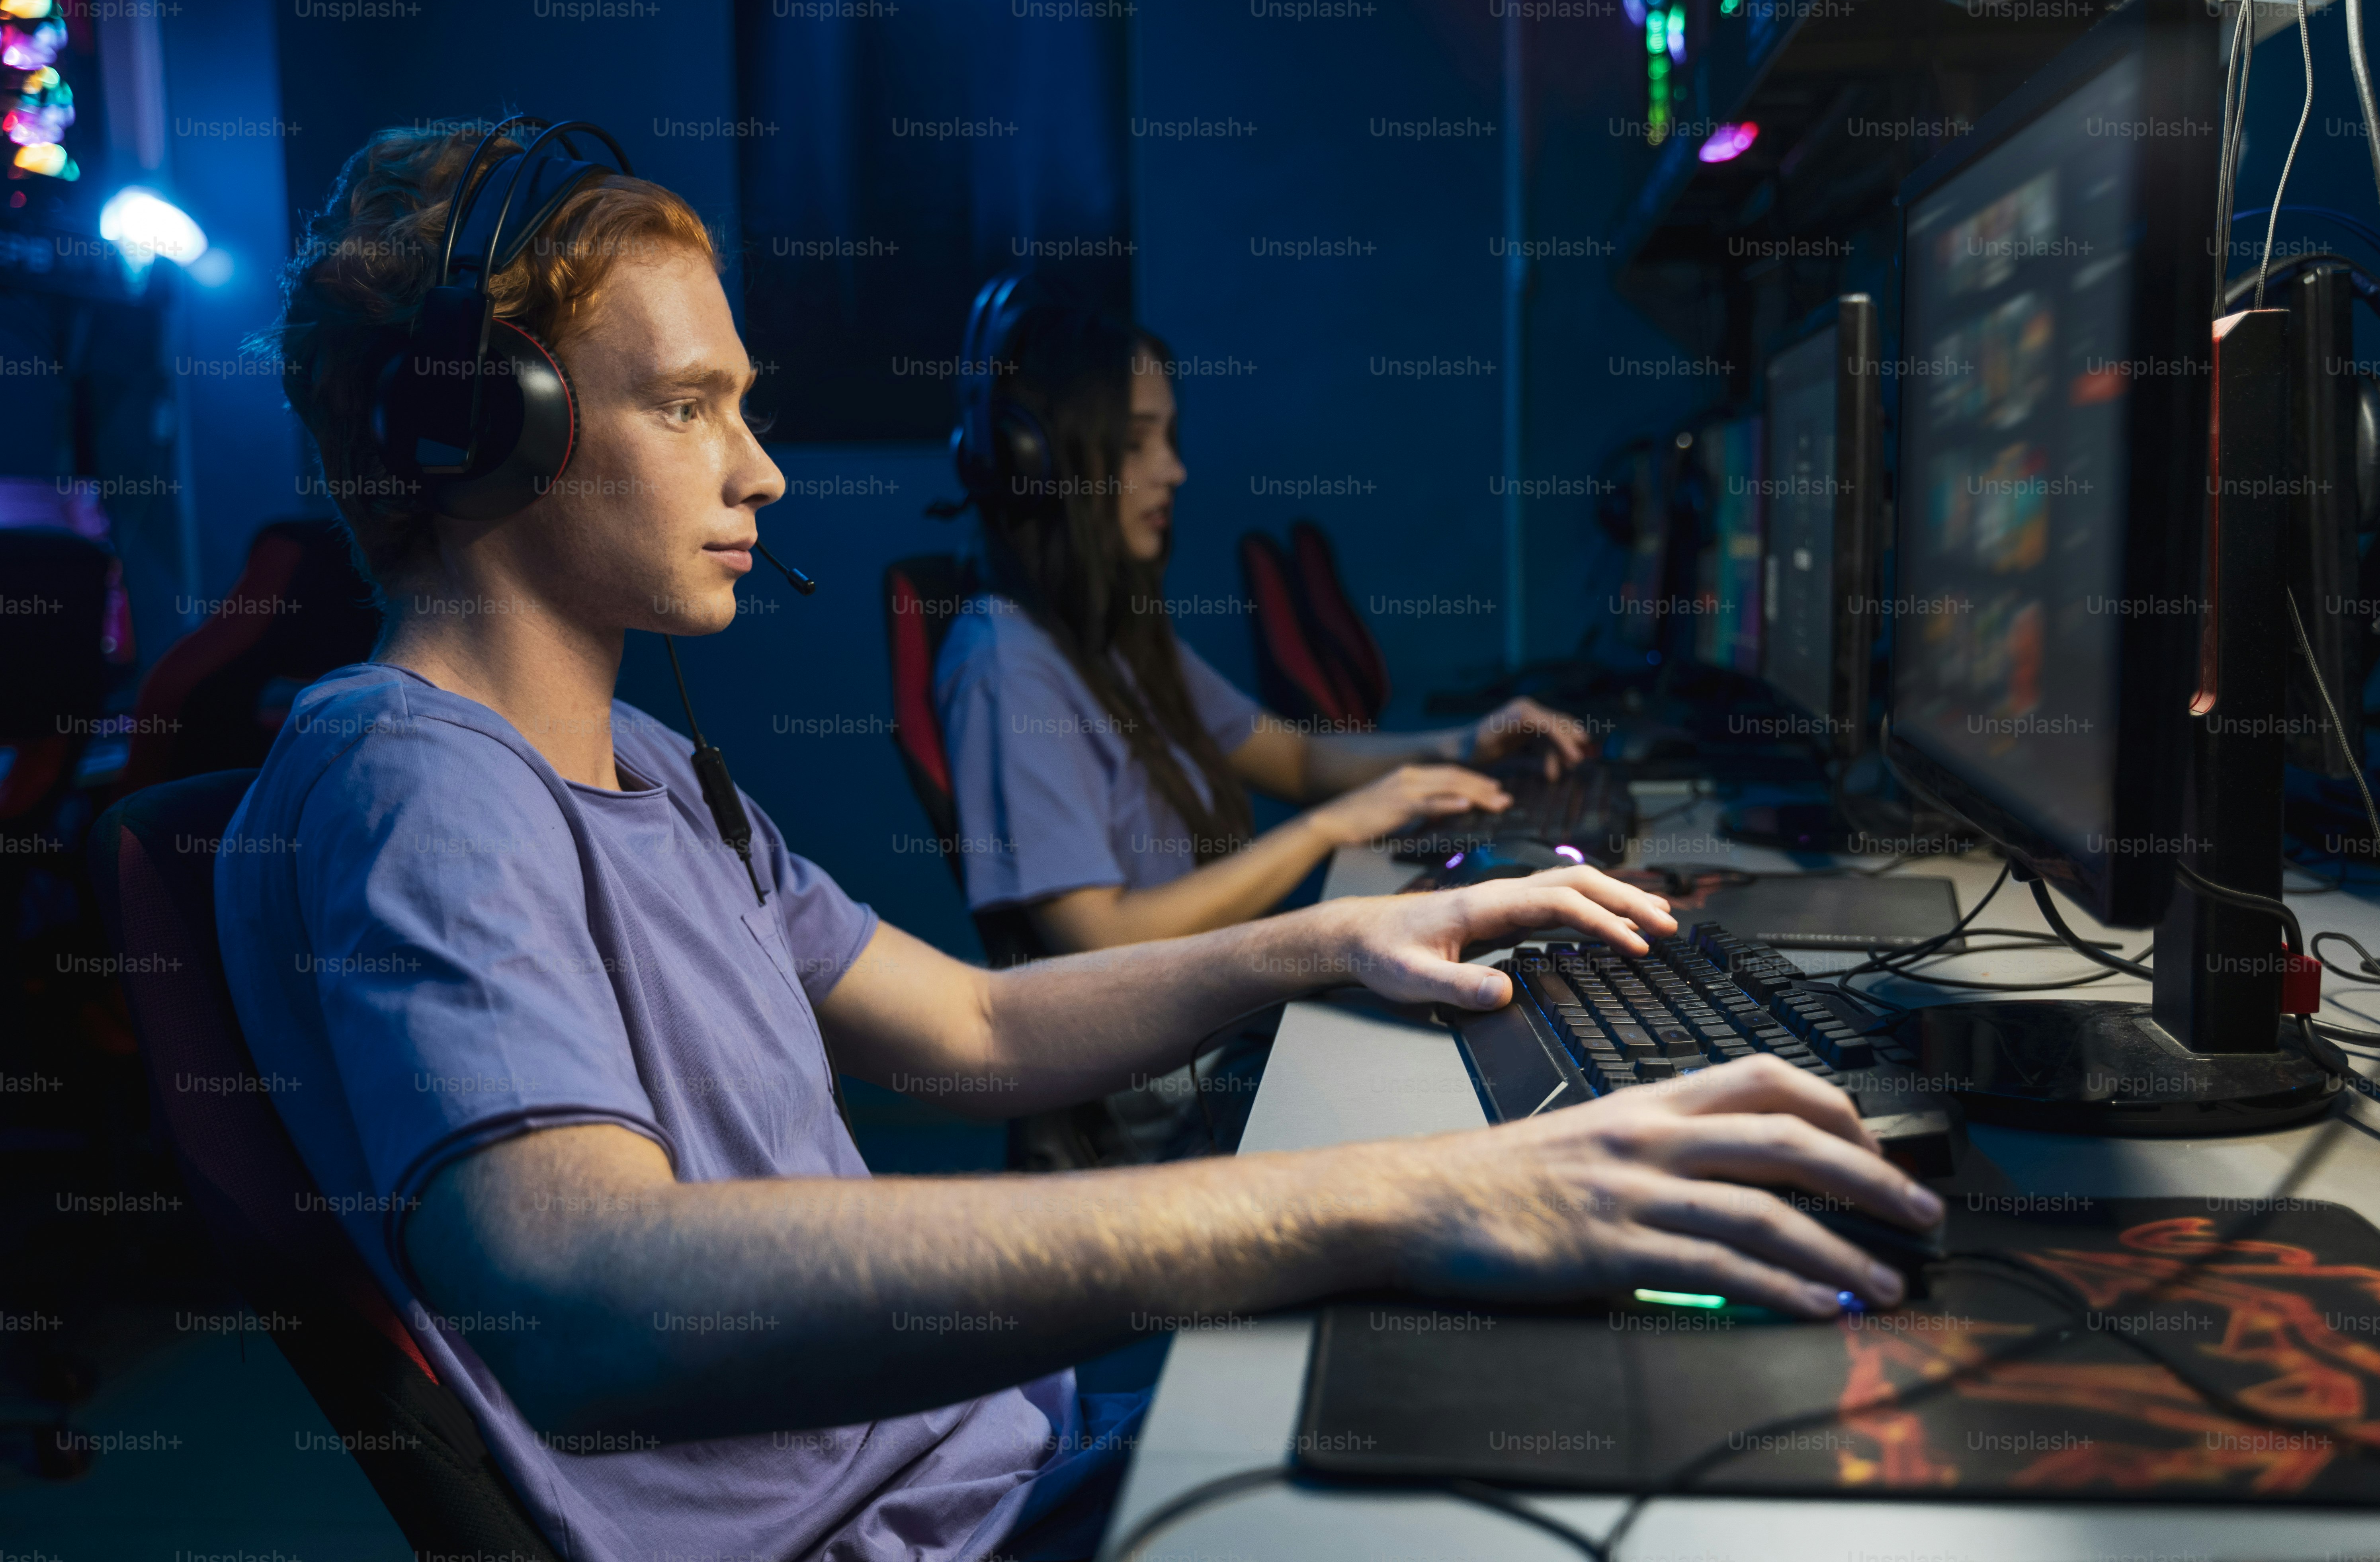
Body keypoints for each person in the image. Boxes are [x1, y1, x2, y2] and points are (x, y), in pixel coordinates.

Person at [219, 123, 1943, 1562]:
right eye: (688, 408)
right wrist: (1402, 1201)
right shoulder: (415, 786)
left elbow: (975, 1025)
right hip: (905, 1536)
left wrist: (1328, 938)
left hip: (986, 1460)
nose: (764, 473)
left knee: (1599, 1389)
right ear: (478, 429)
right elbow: (588, 1303)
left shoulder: (654, 770)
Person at [938, 299, 1589, 958]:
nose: (1174, 470)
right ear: (1034, 465)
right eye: (1135, 444)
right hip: (1178, 1023)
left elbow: (1296, 760)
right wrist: (1328, 827)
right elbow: (1100, 938)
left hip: (1216, 995)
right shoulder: (1009, 667)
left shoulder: (1112, 637)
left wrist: (1464, 744)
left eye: (1169, 439)